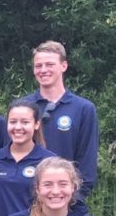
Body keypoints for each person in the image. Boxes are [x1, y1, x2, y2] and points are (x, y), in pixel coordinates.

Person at [24, 41, 99, 199]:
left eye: (49, 64)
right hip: (25, 199)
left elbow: (86, 163)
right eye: (38, 66)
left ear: (63, 66)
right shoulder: (23, 107)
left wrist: (73, 200)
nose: (43, 70)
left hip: (64, 201)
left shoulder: (83, 108)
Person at [0, 98, 56, 216]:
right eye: (13, 122)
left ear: (36, 124)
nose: (18, 127)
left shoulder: (49, 161)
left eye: (25, 122)